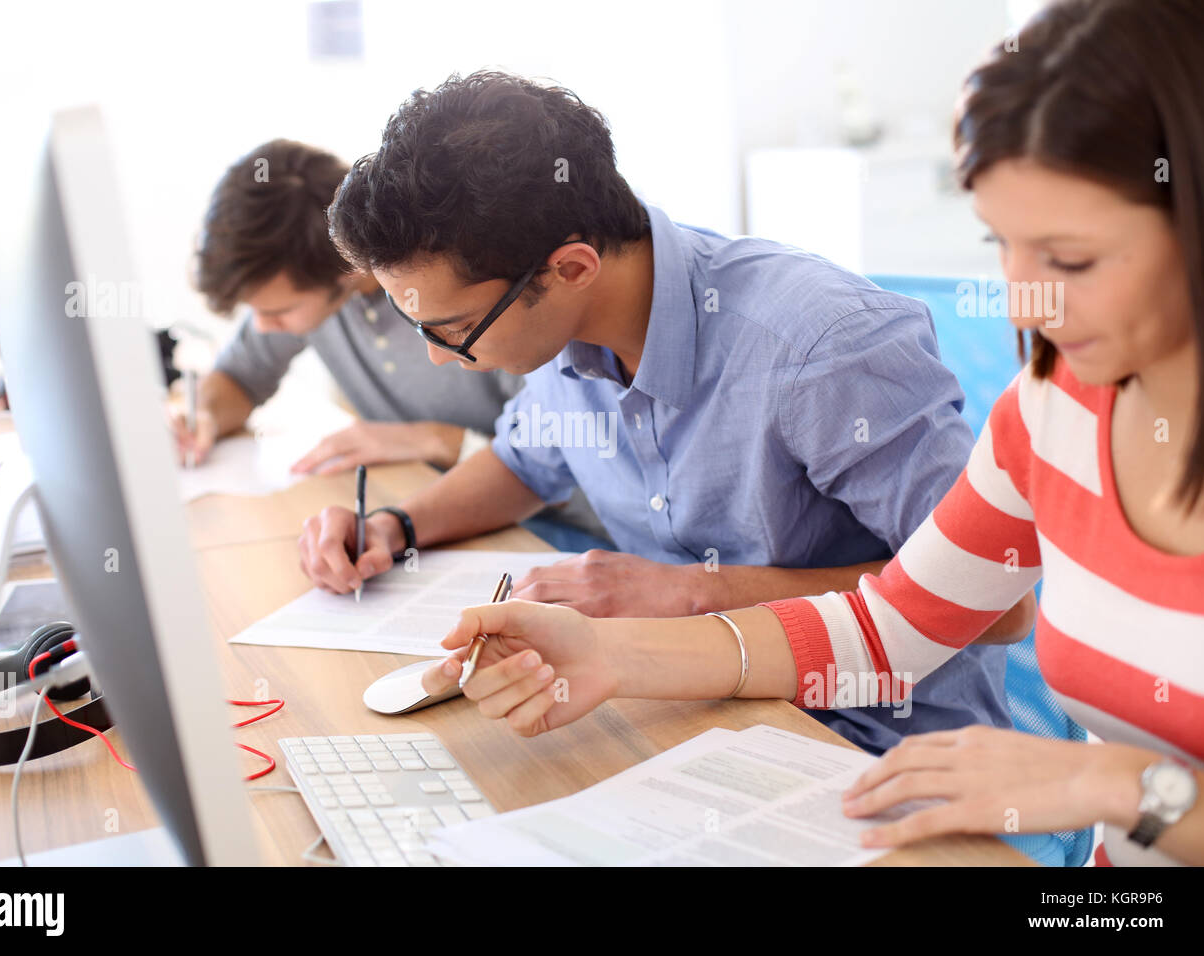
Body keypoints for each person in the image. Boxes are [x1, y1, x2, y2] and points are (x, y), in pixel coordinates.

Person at [417, 0, 1204, 866]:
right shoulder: (1053, 411)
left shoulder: (819, 337)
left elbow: (1079, 736)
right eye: (1001, 246)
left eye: (1071, 260)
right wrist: (606, 653)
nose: (1024, 303)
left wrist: (1112, 787)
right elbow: (890, 629)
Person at [299, 71, 1036, 756]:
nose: (437, 357)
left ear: (573, 268)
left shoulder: (821, 346)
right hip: (684, 713)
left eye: (453, 328)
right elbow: (523, 463)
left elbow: (999, 609)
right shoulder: (558, 334)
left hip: (874, 742)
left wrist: (690, 593)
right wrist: (394, 528)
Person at [174, 138, 610, 549]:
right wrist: (203, 414)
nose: (264, 327)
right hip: (433, 507)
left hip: (554, 525)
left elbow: (560, 472)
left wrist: (438, 440)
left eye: (278, 312)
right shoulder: (303, 292)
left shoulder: (465, 296)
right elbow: (239, 375)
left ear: (345, 267)